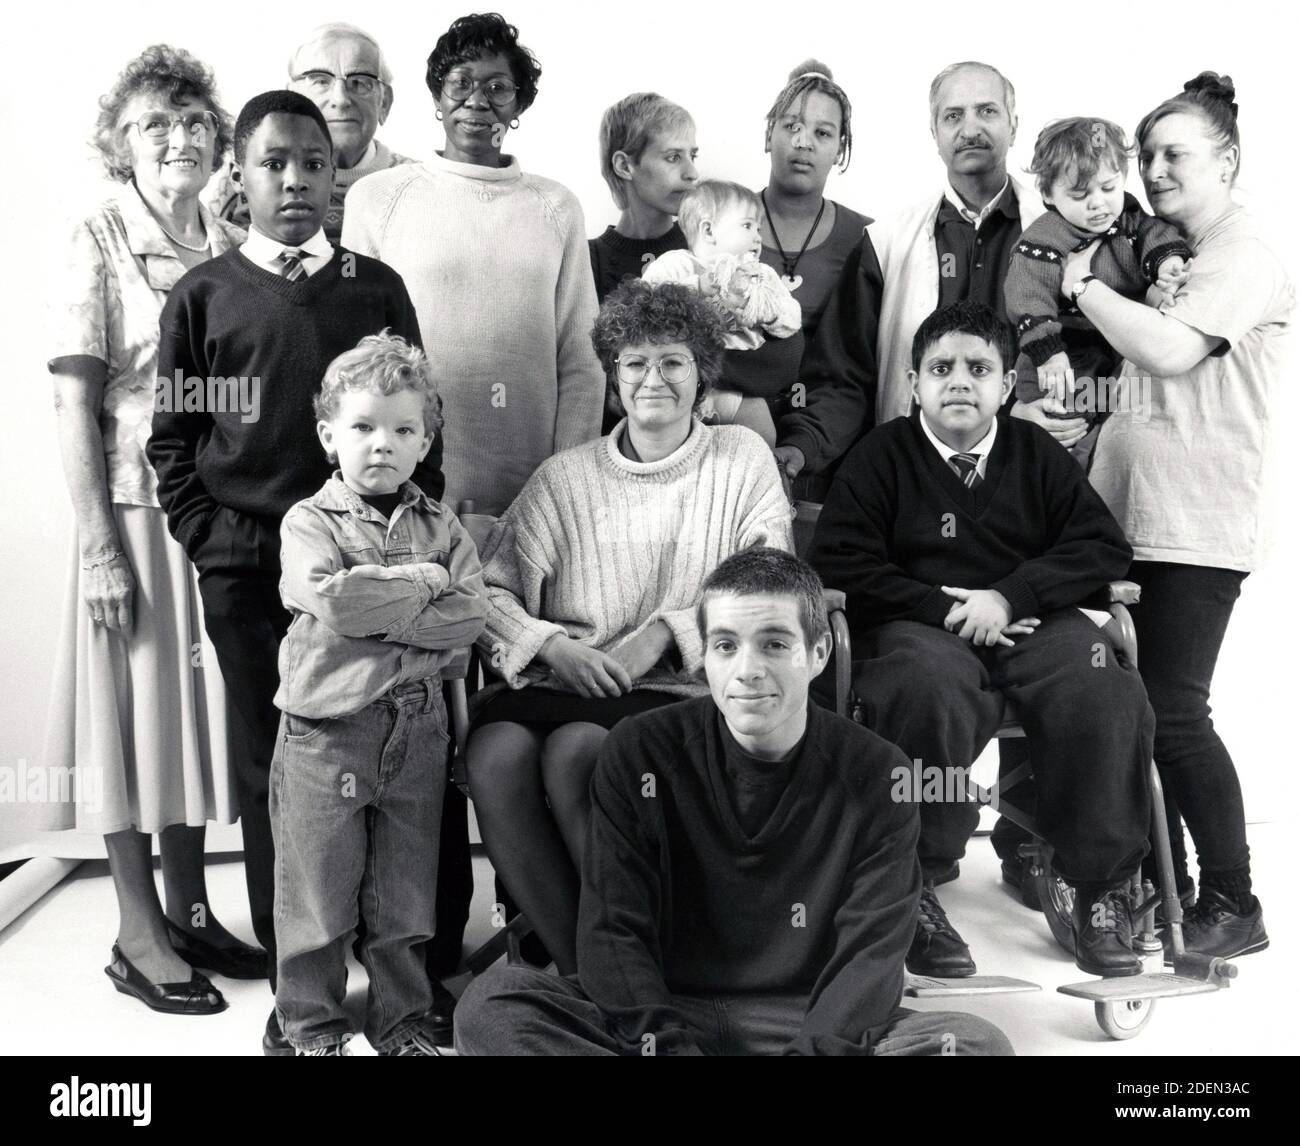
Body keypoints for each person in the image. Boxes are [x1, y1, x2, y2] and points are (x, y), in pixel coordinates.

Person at [147, 89, 444, 1053]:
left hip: (373, 583)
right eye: (274, 163)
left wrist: (408, 558)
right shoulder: (205, 296)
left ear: (334, 176)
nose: (295, 181)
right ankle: (300, 985)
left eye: (314, 164)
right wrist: (217, 544)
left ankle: (408, 979)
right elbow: (175, 443)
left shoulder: (375, 288)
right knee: (275, 774)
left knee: (398, 763)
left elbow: (419, 426)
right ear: (240, 172)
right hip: (249, 583)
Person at [454, 548, 1014, 1056]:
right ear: (705, 659)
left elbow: (871, 955)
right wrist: (666, 1045)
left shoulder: (878, 771)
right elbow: (614, 930)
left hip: (804, 1017)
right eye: (726, 645)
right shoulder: (641, 749)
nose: (747, 670)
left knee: (975, 1043)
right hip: (664, 1011)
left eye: (774, 644)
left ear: (818, 653)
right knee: (494, 1007)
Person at [808, 302, 1154, 980]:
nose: (959, 382)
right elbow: (842, 562)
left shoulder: (1035, 454)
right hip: (918, 626)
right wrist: (944, 607)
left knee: (1100, 683)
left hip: (1032, 621)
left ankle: (1098, 886)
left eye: (978, 368)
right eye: (941, 368)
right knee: (923, 688)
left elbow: (1102, 547)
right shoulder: (881, 455)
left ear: (1005, 385)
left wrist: (1010, 597)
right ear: (913, 384)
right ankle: (913, 882)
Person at [465, 280, 793, 977]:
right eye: (634, 363)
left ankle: (641, 965)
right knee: (494, 755)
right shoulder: (565, 479)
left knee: (578, 752)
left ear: (702, 372)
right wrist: (548, 643)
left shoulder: (740, 459)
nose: (653, 379)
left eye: (673, 361)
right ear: (614, 379)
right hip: (566, 683)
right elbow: (486, 593)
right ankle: (591, 973)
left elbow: (768, 583)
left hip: (685, 692)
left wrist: (668, 633)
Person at [1055, 73, 1293, 960]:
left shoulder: (1243, 252)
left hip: (1196, 522)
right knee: (1133, 710)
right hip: (1133, 517)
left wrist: (1082, 288)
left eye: (1175, 155)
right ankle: (1171, 879)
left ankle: (1235, 899)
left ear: (1226, 161)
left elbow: (1167, 347)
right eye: (1146, 155)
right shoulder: (1165, 250)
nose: (1154, 169)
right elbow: (1135, 372)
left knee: (1176, 708)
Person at [44, 44, 258, 1017]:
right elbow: (72, 404)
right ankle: (136, 932)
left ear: (219, 140)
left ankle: (189, 907)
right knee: (132, 726)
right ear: (119, 146)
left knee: (188, 720)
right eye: (152, 124)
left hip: (210, 518)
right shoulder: (96, 235)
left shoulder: (228, 234)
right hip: (129, 519)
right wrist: (95, 547)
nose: (177, 138)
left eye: (192, 122)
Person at [271, 333, 485, 1056]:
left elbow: (471, 616)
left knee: (405, 902)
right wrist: (425, 586)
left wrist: (396, 603)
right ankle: (312, 1026)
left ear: (425, 441)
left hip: (419, 729)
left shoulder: (441, 523)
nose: (381, 444)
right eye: (362, 427)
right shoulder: (309, 522)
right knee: (317, 895)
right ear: (330, 434)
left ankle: (399, 1022)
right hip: (327, 732)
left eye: (402, 429)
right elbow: (338, 606)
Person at [343, 12, 606, 515]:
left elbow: (581, 360)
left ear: (518, 105)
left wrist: (568, 486)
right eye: (459, 83)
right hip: (405, 479)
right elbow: (360, 355)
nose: (477, 101)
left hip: (533, 485)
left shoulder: (557, 207)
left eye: (498, 88)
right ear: (437, 97)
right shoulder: (377, 199)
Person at [774, 61, 1056, 491]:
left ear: (1014, 126)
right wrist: (802, 447)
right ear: (935, 133)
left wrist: (1058, 411)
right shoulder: (886, 242)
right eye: (954, 115)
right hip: (914, 484)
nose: (970, 128)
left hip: (1027, 480)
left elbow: (1094, 361)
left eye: (988, 111)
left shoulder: (1061, 236)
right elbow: (844, 378)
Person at [1005, 117, 1192, 468]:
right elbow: (1026, 295)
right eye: (1079, 194)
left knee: (1114, 433)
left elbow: (1157, 234)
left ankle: (1094, 485)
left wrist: (1166, 263)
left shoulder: (1131, 220)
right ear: (1047, 194)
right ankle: (1057, 485)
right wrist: (1048, 352)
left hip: (1117, 353)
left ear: (1122, 178)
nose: (1097, 204)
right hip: (1062, 356)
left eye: (1108, 188)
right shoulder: (1044, 239)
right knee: (1062, 428)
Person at [207, 22, 412, 239]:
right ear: (291, 95)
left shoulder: (414, 184)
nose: (340, 99)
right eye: (320, 81)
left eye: (360, 82)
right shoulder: (243, 179)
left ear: (384, 102)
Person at [643, 180, 801, 446]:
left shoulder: (761, 275)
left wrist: (769, 312)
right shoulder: (677, 265)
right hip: (681, 387)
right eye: (748, 225)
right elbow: (646, 302)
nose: (758, 237)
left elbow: (793, 318)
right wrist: (699, 286)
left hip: (741, 391)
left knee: (763, 438)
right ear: (708, 230)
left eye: (759, 228)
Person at [588, 92, 697, 306]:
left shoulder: (704, 245)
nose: (692, 172)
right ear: (624, 166)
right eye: (673, 157)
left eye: (692, 156)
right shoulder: (587, 262)